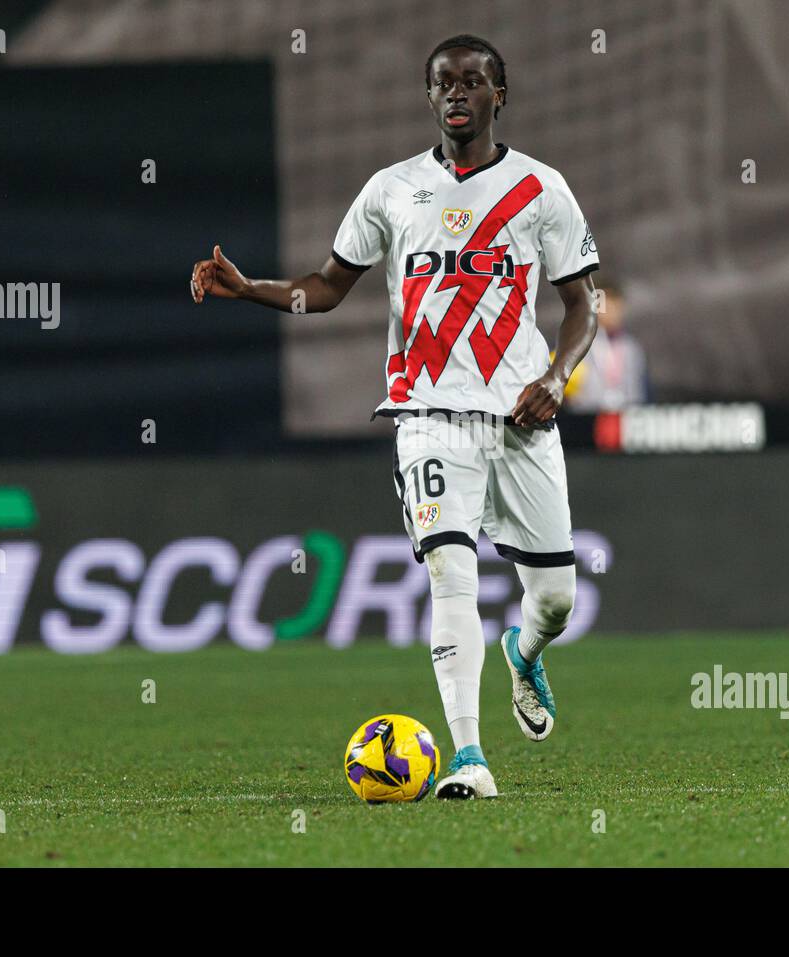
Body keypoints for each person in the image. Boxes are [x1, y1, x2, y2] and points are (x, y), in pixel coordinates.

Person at [190, 34, 599, 800]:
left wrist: (556, 374)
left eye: (473, 82)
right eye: (444, 82)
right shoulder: (392, 190)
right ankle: (470, 758)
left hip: (521, 414)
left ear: (498, 96)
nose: (457, 94)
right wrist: (251, 291)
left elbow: (584, 304)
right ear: (429, 94)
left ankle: (522, 651)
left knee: (556, 600)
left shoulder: (541, 190)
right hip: (429, 415)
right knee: (451, 572)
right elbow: (330, 284)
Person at [564, 282, 650, 411]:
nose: (612, 313)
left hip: (624, 417)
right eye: (607, 306)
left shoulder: (632, 348)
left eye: (616, 307)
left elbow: (637, 391)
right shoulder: (578, 345)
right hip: (586, 419)